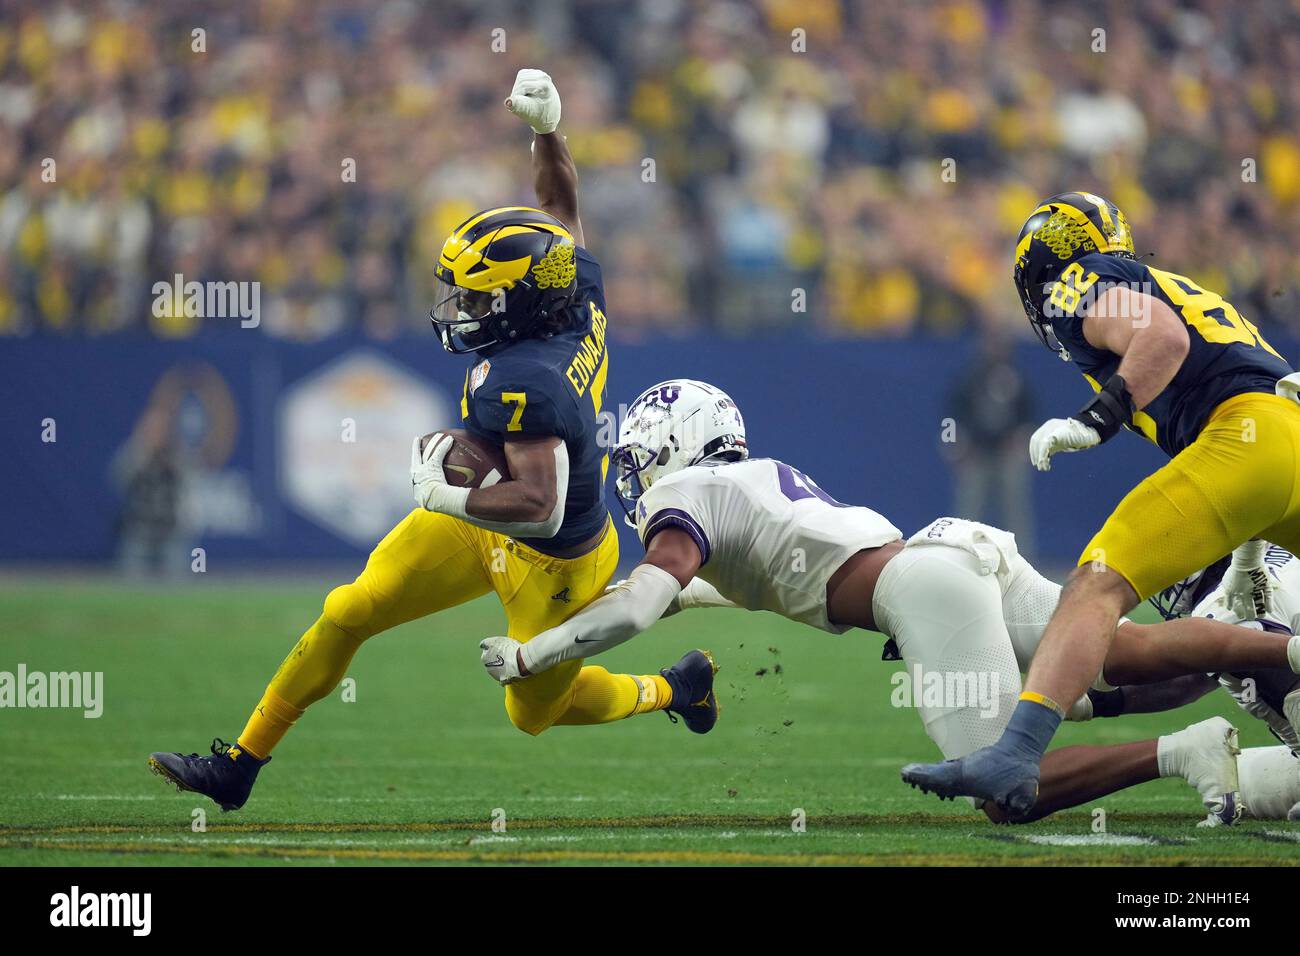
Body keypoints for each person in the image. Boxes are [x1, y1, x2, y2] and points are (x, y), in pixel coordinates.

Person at [147, 71, 716, 813]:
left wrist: (450, 492)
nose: (464, 308)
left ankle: (674, 687)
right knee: (353, 607)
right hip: (487, 519)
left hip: (555, 557)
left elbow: (540, 505)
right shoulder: (571, 281)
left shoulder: (527, 379)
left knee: (531, 713)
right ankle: (241, 764)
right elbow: (558, 206)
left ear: (523, 300)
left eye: (480, 297)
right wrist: (548, 130)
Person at [477, 378, 1300, 822]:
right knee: (1125, 655)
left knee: (1006, 788)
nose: (631, 475)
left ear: (672, 444)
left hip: (926, 590)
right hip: (953, 551)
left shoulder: (688, 494)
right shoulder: (744, 486)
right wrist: (623, 603)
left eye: (637, 457)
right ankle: (1281, 646)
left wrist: (530, 655)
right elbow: (687, 592)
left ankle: (1186, 750)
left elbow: (639, 608)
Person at [902, 191, 1300, 817]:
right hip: (1286, 433)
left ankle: (1016, 752)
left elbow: (1161, 337)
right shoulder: (1168, 282)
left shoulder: (1075, 282)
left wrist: (1098, 417)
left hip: (1246, 434)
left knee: (1093, 584)